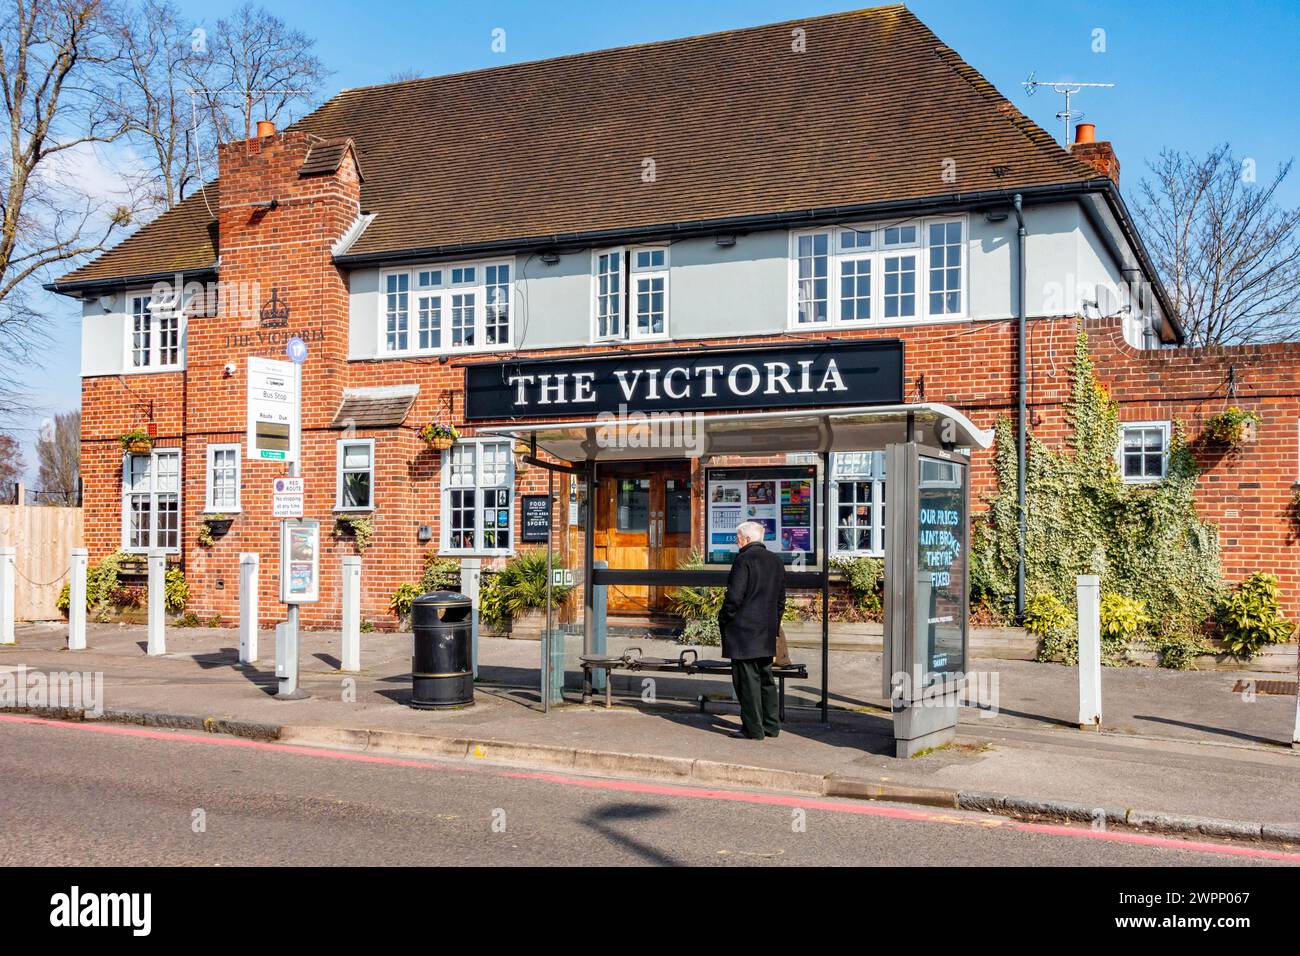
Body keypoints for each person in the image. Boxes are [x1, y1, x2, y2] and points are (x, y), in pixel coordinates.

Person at [717, 520, 786, 739]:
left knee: (746, 682)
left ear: (746, 539)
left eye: (738, 537)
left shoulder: (743, 560)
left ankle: (752, 729)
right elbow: (781, 600)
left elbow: (734, 597)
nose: (737, 541)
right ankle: (771, 726)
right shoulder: (776, 561)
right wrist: (774, 624)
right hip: (765, 631)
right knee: (766, 679)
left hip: (743, 632)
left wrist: (724, 617)